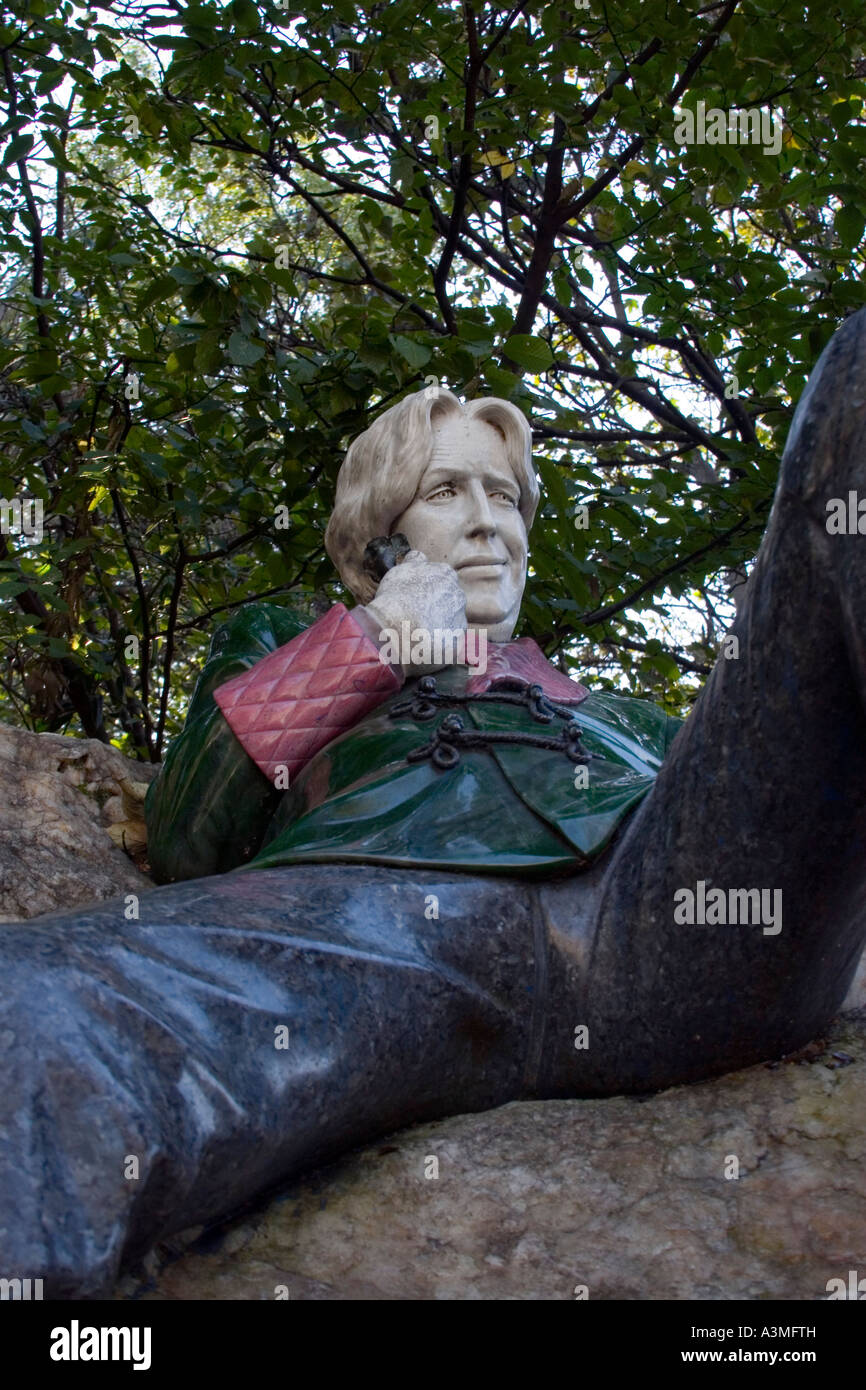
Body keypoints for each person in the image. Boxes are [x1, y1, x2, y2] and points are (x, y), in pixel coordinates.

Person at [2, 317, 866, 1298]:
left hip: (650, 920)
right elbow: (188, 829)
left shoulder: (627, 718)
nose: (487, 519)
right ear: (374, 534)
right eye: (446, 491)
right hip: (376, 929)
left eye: (504, 496)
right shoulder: (288, 638)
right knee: (26, 998)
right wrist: (370, 643)